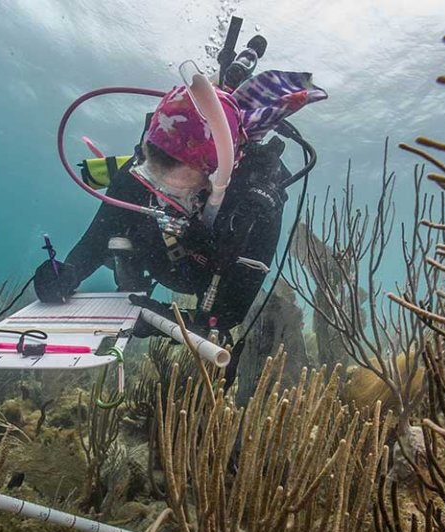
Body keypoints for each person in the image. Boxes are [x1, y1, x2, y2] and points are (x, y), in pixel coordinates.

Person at [34, 71, 325, 338]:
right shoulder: (139, 170)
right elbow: (96, 241)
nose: (162, 199)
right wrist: (67, 273)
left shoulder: (253, 204)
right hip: (152, 258)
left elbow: (230, 313)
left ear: (216, 179)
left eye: (178, 192)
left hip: (205, 276)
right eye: (153, 181)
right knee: (123, 227)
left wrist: (169, 323)